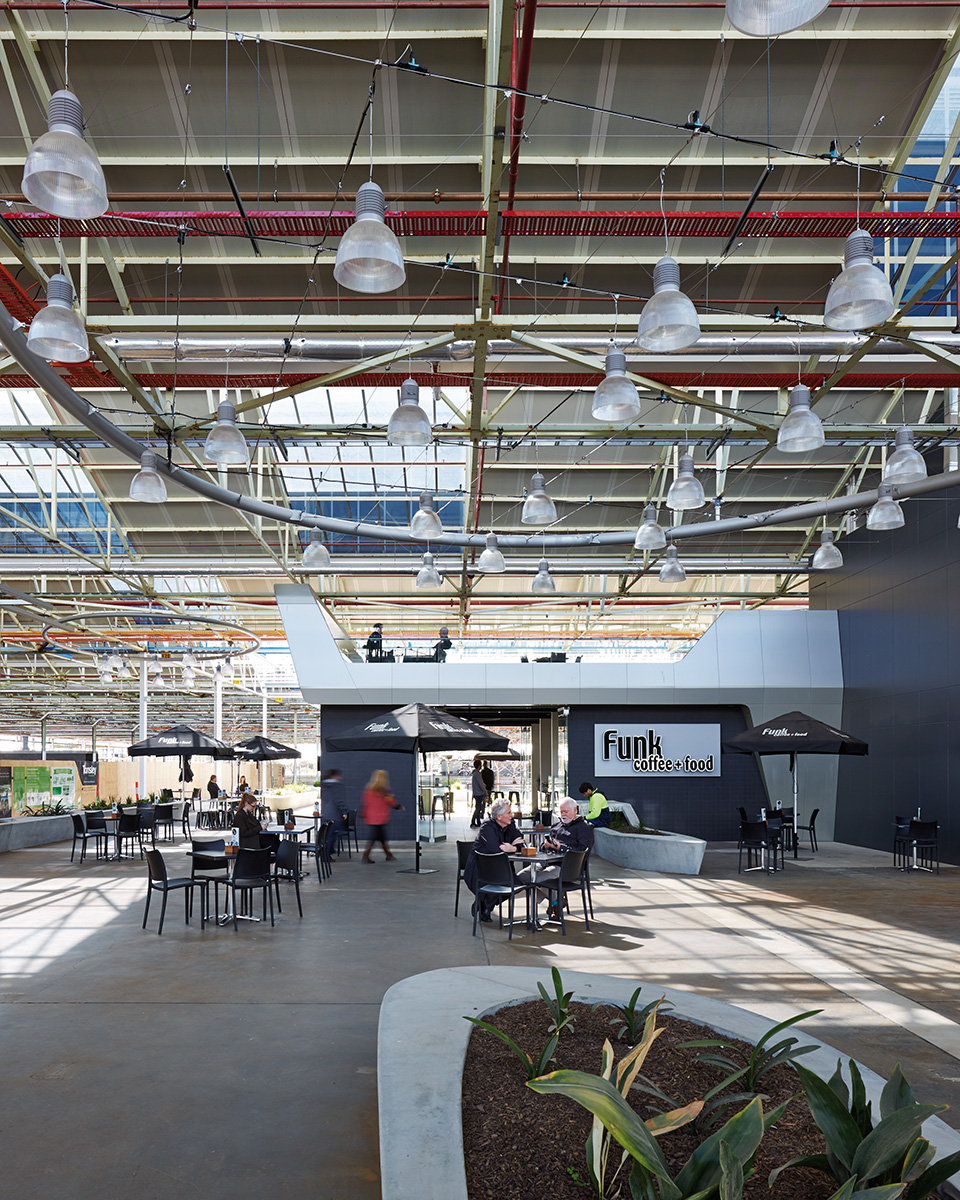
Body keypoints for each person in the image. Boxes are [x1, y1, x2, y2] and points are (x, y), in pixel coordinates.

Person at [531, 798, 596, 919]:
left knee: (535, 880)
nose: (563, 815)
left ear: (575, 810)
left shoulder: (584, 828)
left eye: (566, 811)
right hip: (548, 863)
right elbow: (542, 848)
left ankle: (552, 904)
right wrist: (545, 846)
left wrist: (561, 848)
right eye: (561, 812)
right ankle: (557, 900)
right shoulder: (556, 826)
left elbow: (582, 851)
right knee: (524, 877)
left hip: (568, 868)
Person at [464, 798, 525, 921]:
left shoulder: (510, 824)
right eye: (508, 813)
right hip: (480, 869)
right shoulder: (487, 827)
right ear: (498, 816)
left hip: (500, 867)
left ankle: (486, 904)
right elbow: (497, 849)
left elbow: (521, 841)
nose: (511, 815)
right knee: (504, 882)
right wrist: (513, 847)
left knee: (518, 884)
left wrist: (512, 847)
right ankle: (485, 907)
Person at [360, 769, 402, 863]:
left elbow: (365, 802)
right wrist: (398, 807)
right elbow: (390, 801)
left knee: (380, 836)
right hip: (381, 817)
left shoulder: (368, 790)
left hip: (371, 817)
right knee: (375, 837)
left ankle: (388, 855)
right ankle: (366, 856)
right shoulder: (385, 791)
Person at [320, 768, 347, 857]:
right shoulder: (336, 785)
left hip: (326, 814)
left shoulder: (325, 785)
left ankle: (327, 853)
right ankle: (326, 854)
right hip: (334, 815)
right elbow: (338, 800)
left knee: (328, 835)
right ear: (335, 776)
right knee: (331, 836)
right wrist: (344, 811)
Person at [470, 757, 488, 828]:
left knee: (478, 807)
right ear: (479, 766)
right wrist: (485, 791)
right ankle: (473, 821)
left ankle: (477, 822)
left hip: (475, 793)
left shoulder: (475, 773)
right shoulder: (477, 774)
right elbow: (481, 784)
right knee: (478, 808)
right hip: (479, 794)